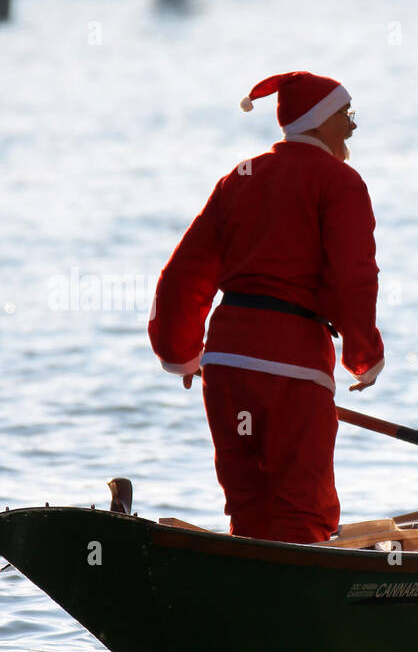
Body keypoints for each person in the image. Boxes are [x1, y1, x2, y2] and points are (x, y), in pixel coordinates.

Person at [149, 71, 384, 543]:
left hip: (227, 363)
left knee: (248, 500)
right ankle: (299, 601)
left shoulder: (240, 177)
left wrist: (182, 352)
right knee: (302, 506)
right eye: (346, 115)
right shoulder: (339, 182)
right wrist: (364, 355)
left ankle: (247, 595)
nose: (354, 127)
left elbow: (185, 271)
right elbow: (353, 276)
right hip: (293, 366)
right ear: (318, 122)